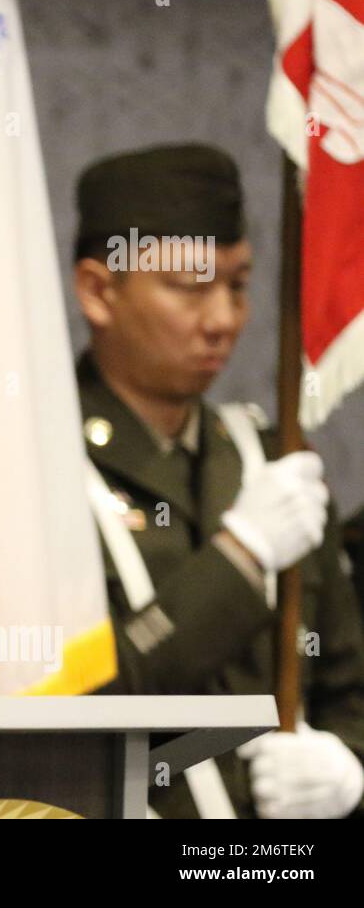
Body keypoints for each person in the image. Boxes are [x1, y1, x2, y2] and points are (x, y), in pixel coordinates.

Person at [73, 143, 364, 818]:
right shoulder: (36, 468)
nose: (223, 318)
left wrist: (347, 764)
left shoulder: (267, 459)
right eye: (189, 285)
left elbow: (350, 683)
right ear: (99, 289)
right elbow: (74, 709)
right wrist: (239, 559)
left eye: (237, 283)